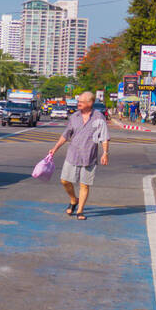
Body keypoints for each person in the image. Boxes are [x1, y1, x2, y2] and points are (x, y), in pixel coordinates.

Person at [47, 91, 110, 220]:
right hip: (73, 154)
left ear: (90, 103)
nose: (78, 104)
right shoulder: (74, 117)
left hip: (89, 156)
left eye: (81, 102)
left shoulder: (99, 118)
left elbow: (104, 137)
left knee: (84, 184)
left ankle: (80, 211)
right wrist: (55, 148)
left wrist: (105, 153)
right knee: (64, 180)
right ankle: (73, 199)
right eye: (78, 101)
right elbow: (66, 134)